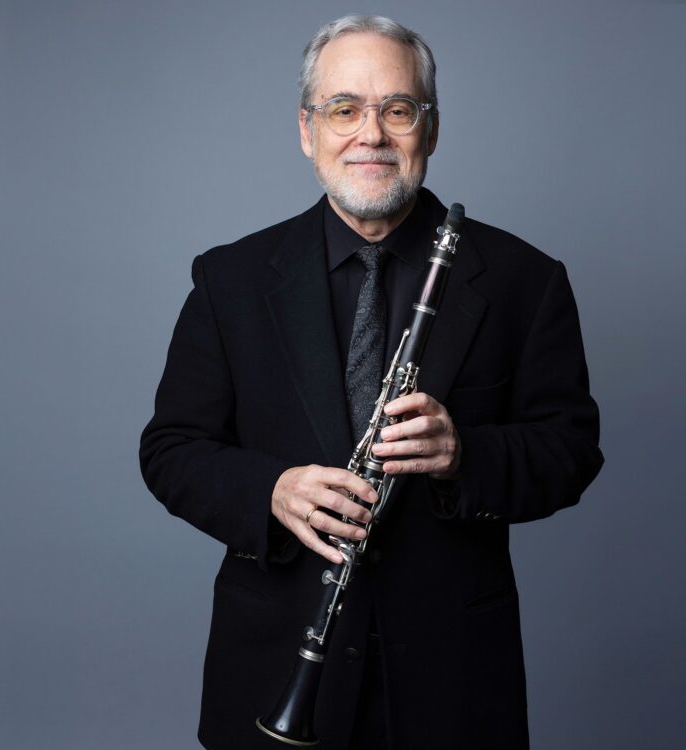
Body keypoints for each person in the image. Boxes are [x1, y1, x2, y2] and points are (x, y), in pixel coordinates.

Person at [140, 15, 603, 750]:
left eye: (398, 109)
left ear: (431, 128)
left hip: (453, 681)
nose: (371, 135)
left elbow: (571, 452)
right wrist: (272, 491)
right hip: (271, 663)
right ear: (307, 130)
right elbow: (171, 450)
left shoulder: (525, 280)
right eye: (344, 109)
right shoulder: (229, 279)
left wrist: (464, 455)